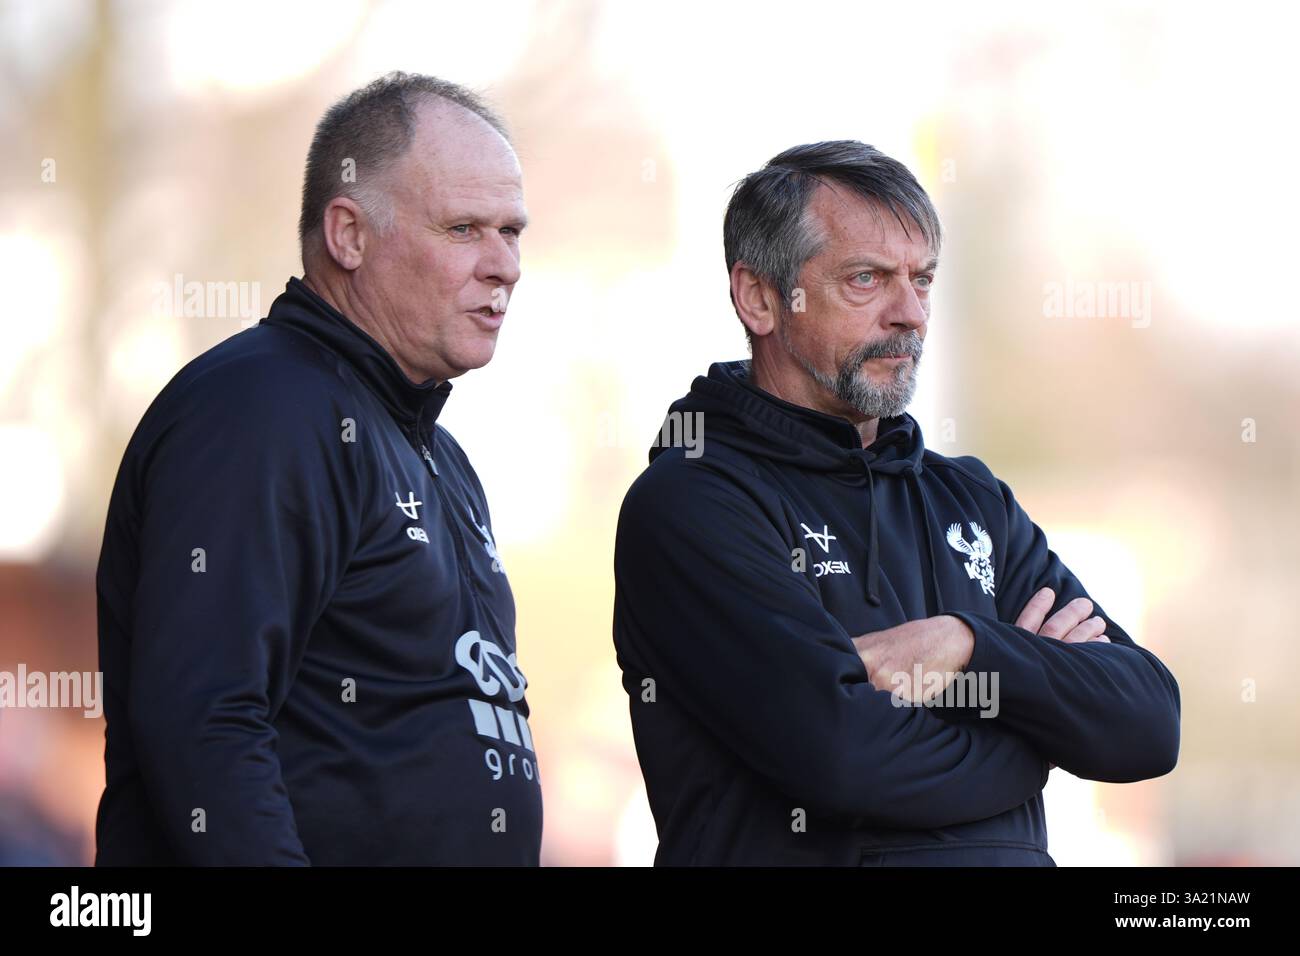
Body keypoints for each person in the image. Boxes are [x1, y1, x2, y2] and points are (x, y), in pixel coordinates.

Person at [612, 140, 1180, 866]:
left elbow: (1148, 723)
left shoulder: (970, 499)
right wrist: (1038, 736)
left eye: (922, 279)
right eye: (866, 279)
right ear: (759, 298)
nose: (909, 313)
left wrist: (966, 645)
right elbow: (841, 755)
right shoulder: (692, 503)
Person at [94, 72, 541, 865]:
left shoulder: (441, 456)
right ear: (349, 234)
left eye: (513, 231)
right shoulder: (262, 409)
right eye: (465, 228)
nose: (504, 265)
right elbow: (206, 721)